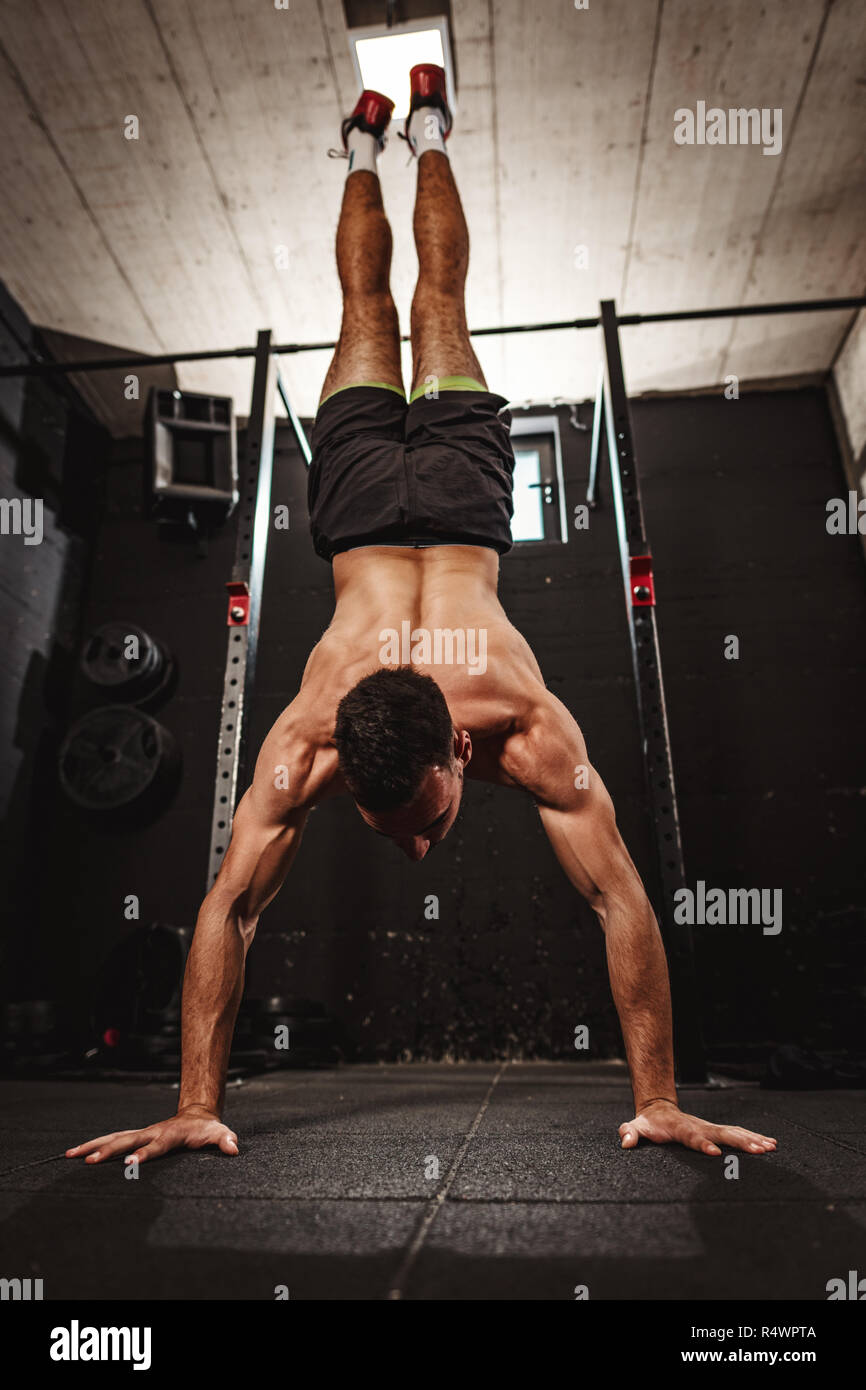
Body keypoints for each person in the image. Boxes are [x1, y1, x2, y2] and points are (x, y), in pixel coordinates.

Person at [67, 67, 776, 1168]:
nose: (408, 844)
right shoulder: (312, 741)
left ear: (459, 742)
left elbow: (620, 898)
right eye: (395, 823)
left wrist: (662, 1094)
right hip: (445, 506)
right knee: (401, 309)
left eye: (415, 815)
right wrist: (195, 1099)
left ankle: (414, 132)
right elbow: (228, 908)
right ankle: (368, 145)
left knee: (411, 305)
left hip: (383, 507)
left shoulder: (525, 724)